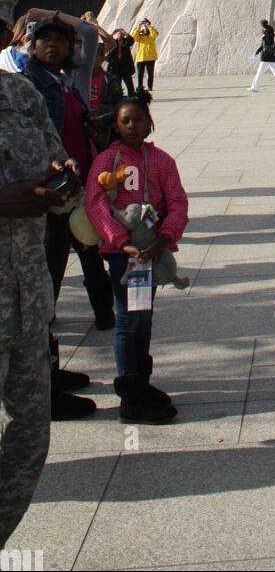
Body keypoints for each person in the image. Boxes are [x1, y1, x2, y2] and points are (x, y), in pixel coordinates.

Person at [0, 48, 81, 549]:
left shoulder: (20, 94)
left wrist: (64, 183)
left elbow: (58, 159)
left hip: (27, 299)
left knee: (31, 438)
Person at [21, 14, 114, 418]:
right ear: (32, 45)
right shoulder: (26, 86)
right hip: (46, 199)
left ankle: (50, 370)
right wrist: (40, 16)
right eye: (46, 40)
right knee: (45, 287)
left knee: (58, 278)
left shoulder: (64, 83)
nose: (55, 45)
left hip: (72, 194)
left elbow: (90, 34)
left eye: (61, 40)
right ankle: (43, 382)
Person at [84, 95, 189, 423]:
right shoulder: (106, 160)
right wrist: (121, 240)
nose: (132, 126)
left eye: (138, 120)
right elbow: (95, 202)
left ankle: (139, 379)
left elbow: (176, 200)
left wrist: (165, 237)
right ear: (115, 125)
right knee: (128, 319)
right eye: (125, 121)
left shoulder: (161, 161)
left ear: (150, 123)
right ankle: (129, 393)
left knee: (143, 315)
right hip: (123, 255)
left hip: (152, 252)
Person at [249, 20, 275, 93]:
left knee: (260, 72)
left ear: (263, 25)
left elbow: (267, 44)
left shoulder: (267, 32)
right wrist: (256, 52)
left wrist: (263, 37)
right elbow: (263, 45)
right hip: (269, 56)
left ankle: (254, 87)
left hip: (266, 56)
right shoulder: (268, 31)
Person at [106, 29, 136, 98]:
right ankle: (119, 97)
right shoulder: (113, 42)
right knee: (117, 84)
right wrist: (112, 34)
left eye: (121, 34)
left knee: (129, 83)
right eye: (119, 34)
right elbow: (107, 42)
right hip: (115, 67)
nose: (120, 35)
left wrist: (126, 33)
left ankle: (132, 96)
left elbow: (131, 40)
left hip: (125, 66)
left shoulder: (126, 41)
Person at [133, 19, 159, 92]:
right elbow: (134, 36)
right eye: (143, 25)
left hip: (150, 58)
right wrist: (139, 27)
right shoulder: (139, 36)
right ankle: (140, 87)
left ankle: (150, 87)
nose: (144, 27)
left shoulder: (151, 36)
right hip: (141, 58)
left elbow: (154, 34)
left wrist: (149, 26)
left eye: (145, 25)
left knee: (150, 74)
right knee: (140, 74)